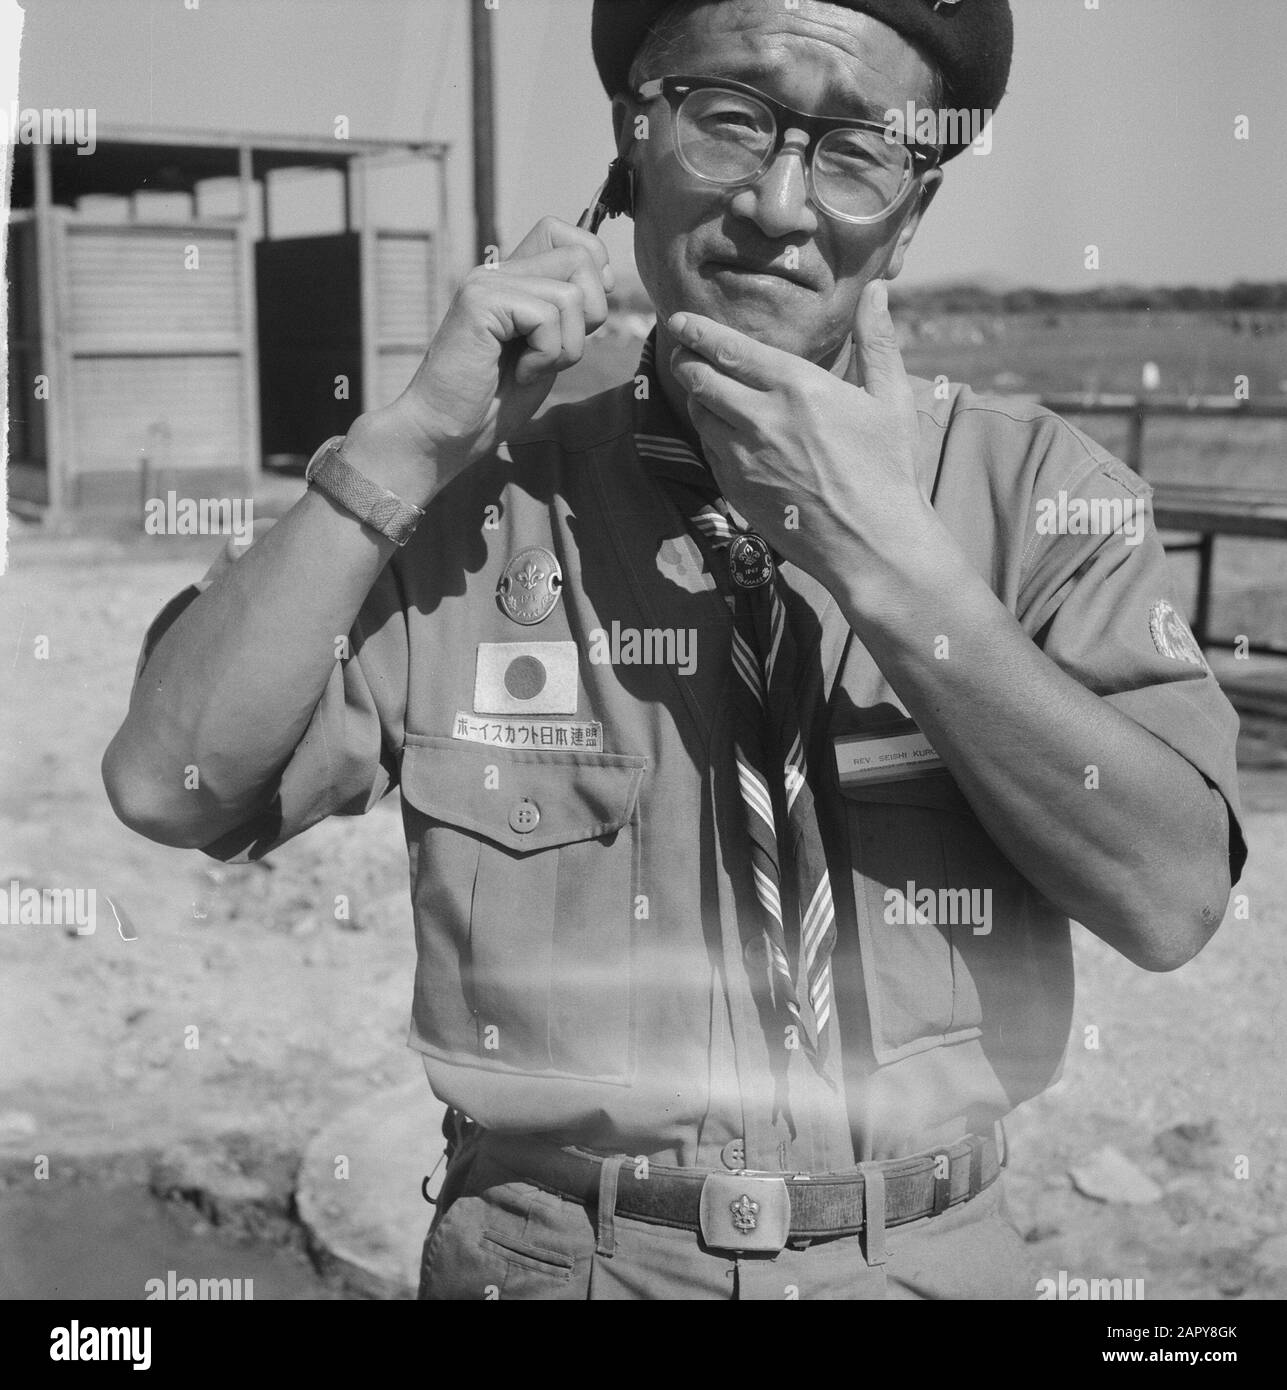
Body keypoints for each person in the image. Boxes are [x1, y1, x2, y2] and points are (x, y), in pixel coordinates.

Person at [103, 0, 1245, 1300]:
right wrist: (406, 444)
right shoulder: (479, 474)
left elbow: (1173, 899)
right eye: (728, 120)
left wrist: (896, 569)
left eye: (858, 150)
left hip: (924, 1261)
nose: (777, 200)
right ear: (632, 148)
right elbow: (172, 783)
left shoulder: (1039, 491)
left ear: (912, 215)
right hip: (551, 1257)